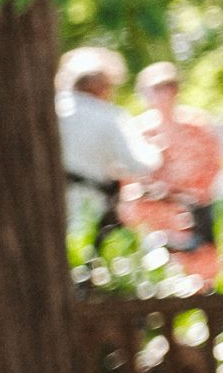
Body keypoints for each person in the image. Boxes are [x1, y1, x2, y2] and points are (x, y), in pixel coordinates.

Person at [124, 62, 223, 280]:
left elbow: (213, 163)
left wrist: (186, 192)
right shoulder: (139, 130)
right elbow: (129, 176)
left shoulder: (197, 125)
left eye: (168, 87)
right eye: (156, 88)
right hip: (154, 213)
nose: (163, 94)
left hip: (193, 207)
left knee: (201, 268)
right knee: (156, 270)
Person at [56, 46, 157, 251]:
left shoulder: (51, 110)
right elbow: (139, 164)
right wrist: (154, 148)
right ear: (103, 86)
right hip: (90, 205)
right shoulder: (111, 117)